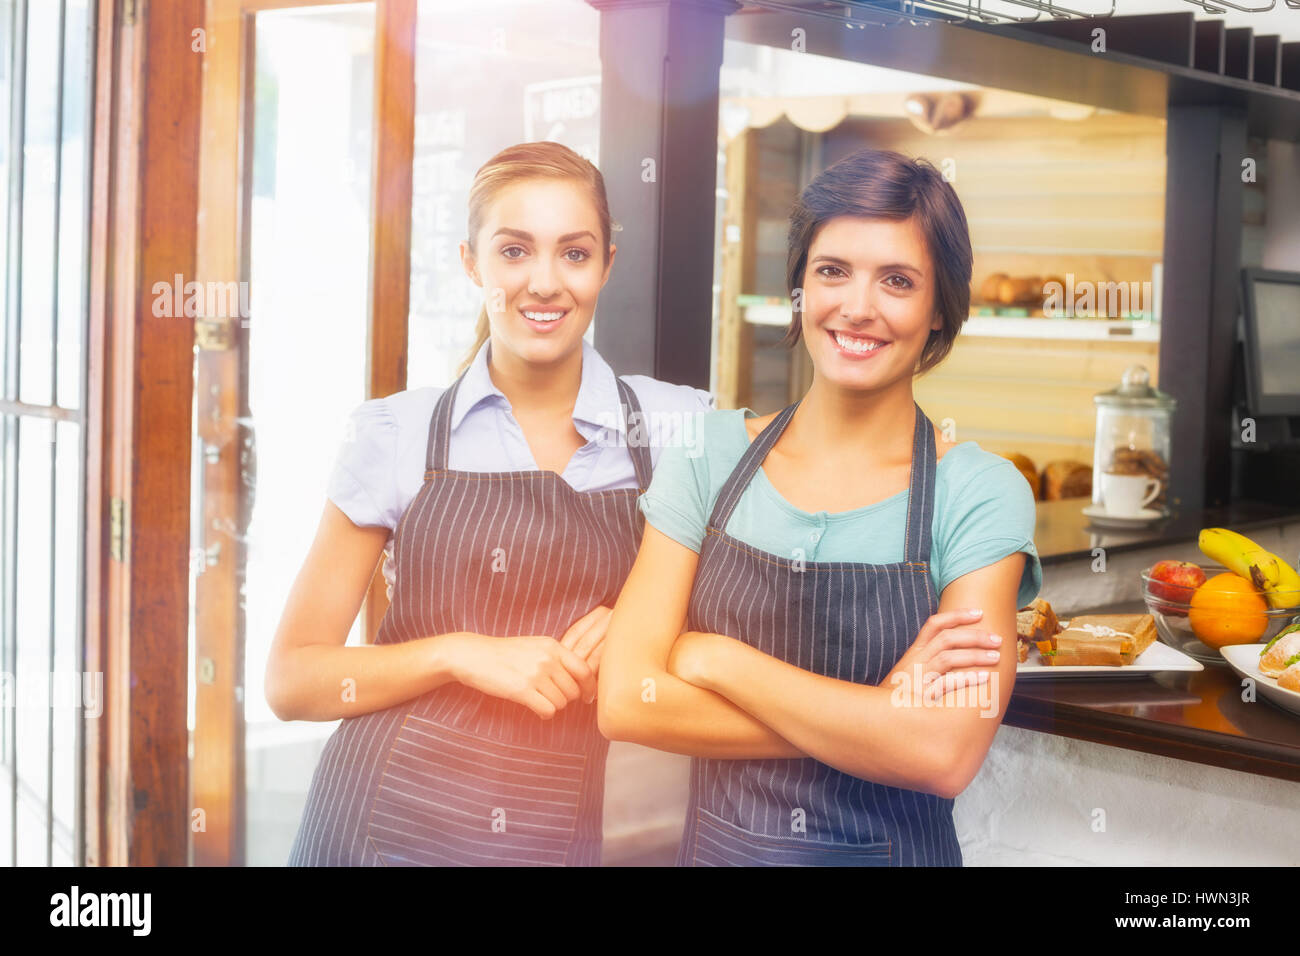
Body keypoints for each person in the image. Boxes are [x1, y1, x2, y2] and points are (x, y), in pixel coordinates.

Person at [267, 141, 716, 866]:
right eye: (514, 252)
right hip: (381, 817)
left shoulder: (675, 430)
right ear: (472, 262)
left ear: (607, 263)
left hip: (554, 822)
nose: (545, 282)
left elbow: (791, 514)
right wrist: (458, 655)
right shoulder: (398, 432)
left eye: (574, 253)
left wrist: (643, 617)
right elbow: (293, 681)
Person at [597, 148, 1042, 866]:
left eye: (897, 281)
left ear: (938, 310)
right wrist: (878, 719)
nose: (857, 307)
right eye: (832, 271)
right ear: (800, 288)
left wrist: (715, 658)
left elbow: (943, 752)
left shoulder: (979, 494)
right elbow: (627, 699)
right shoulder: (705, 457)